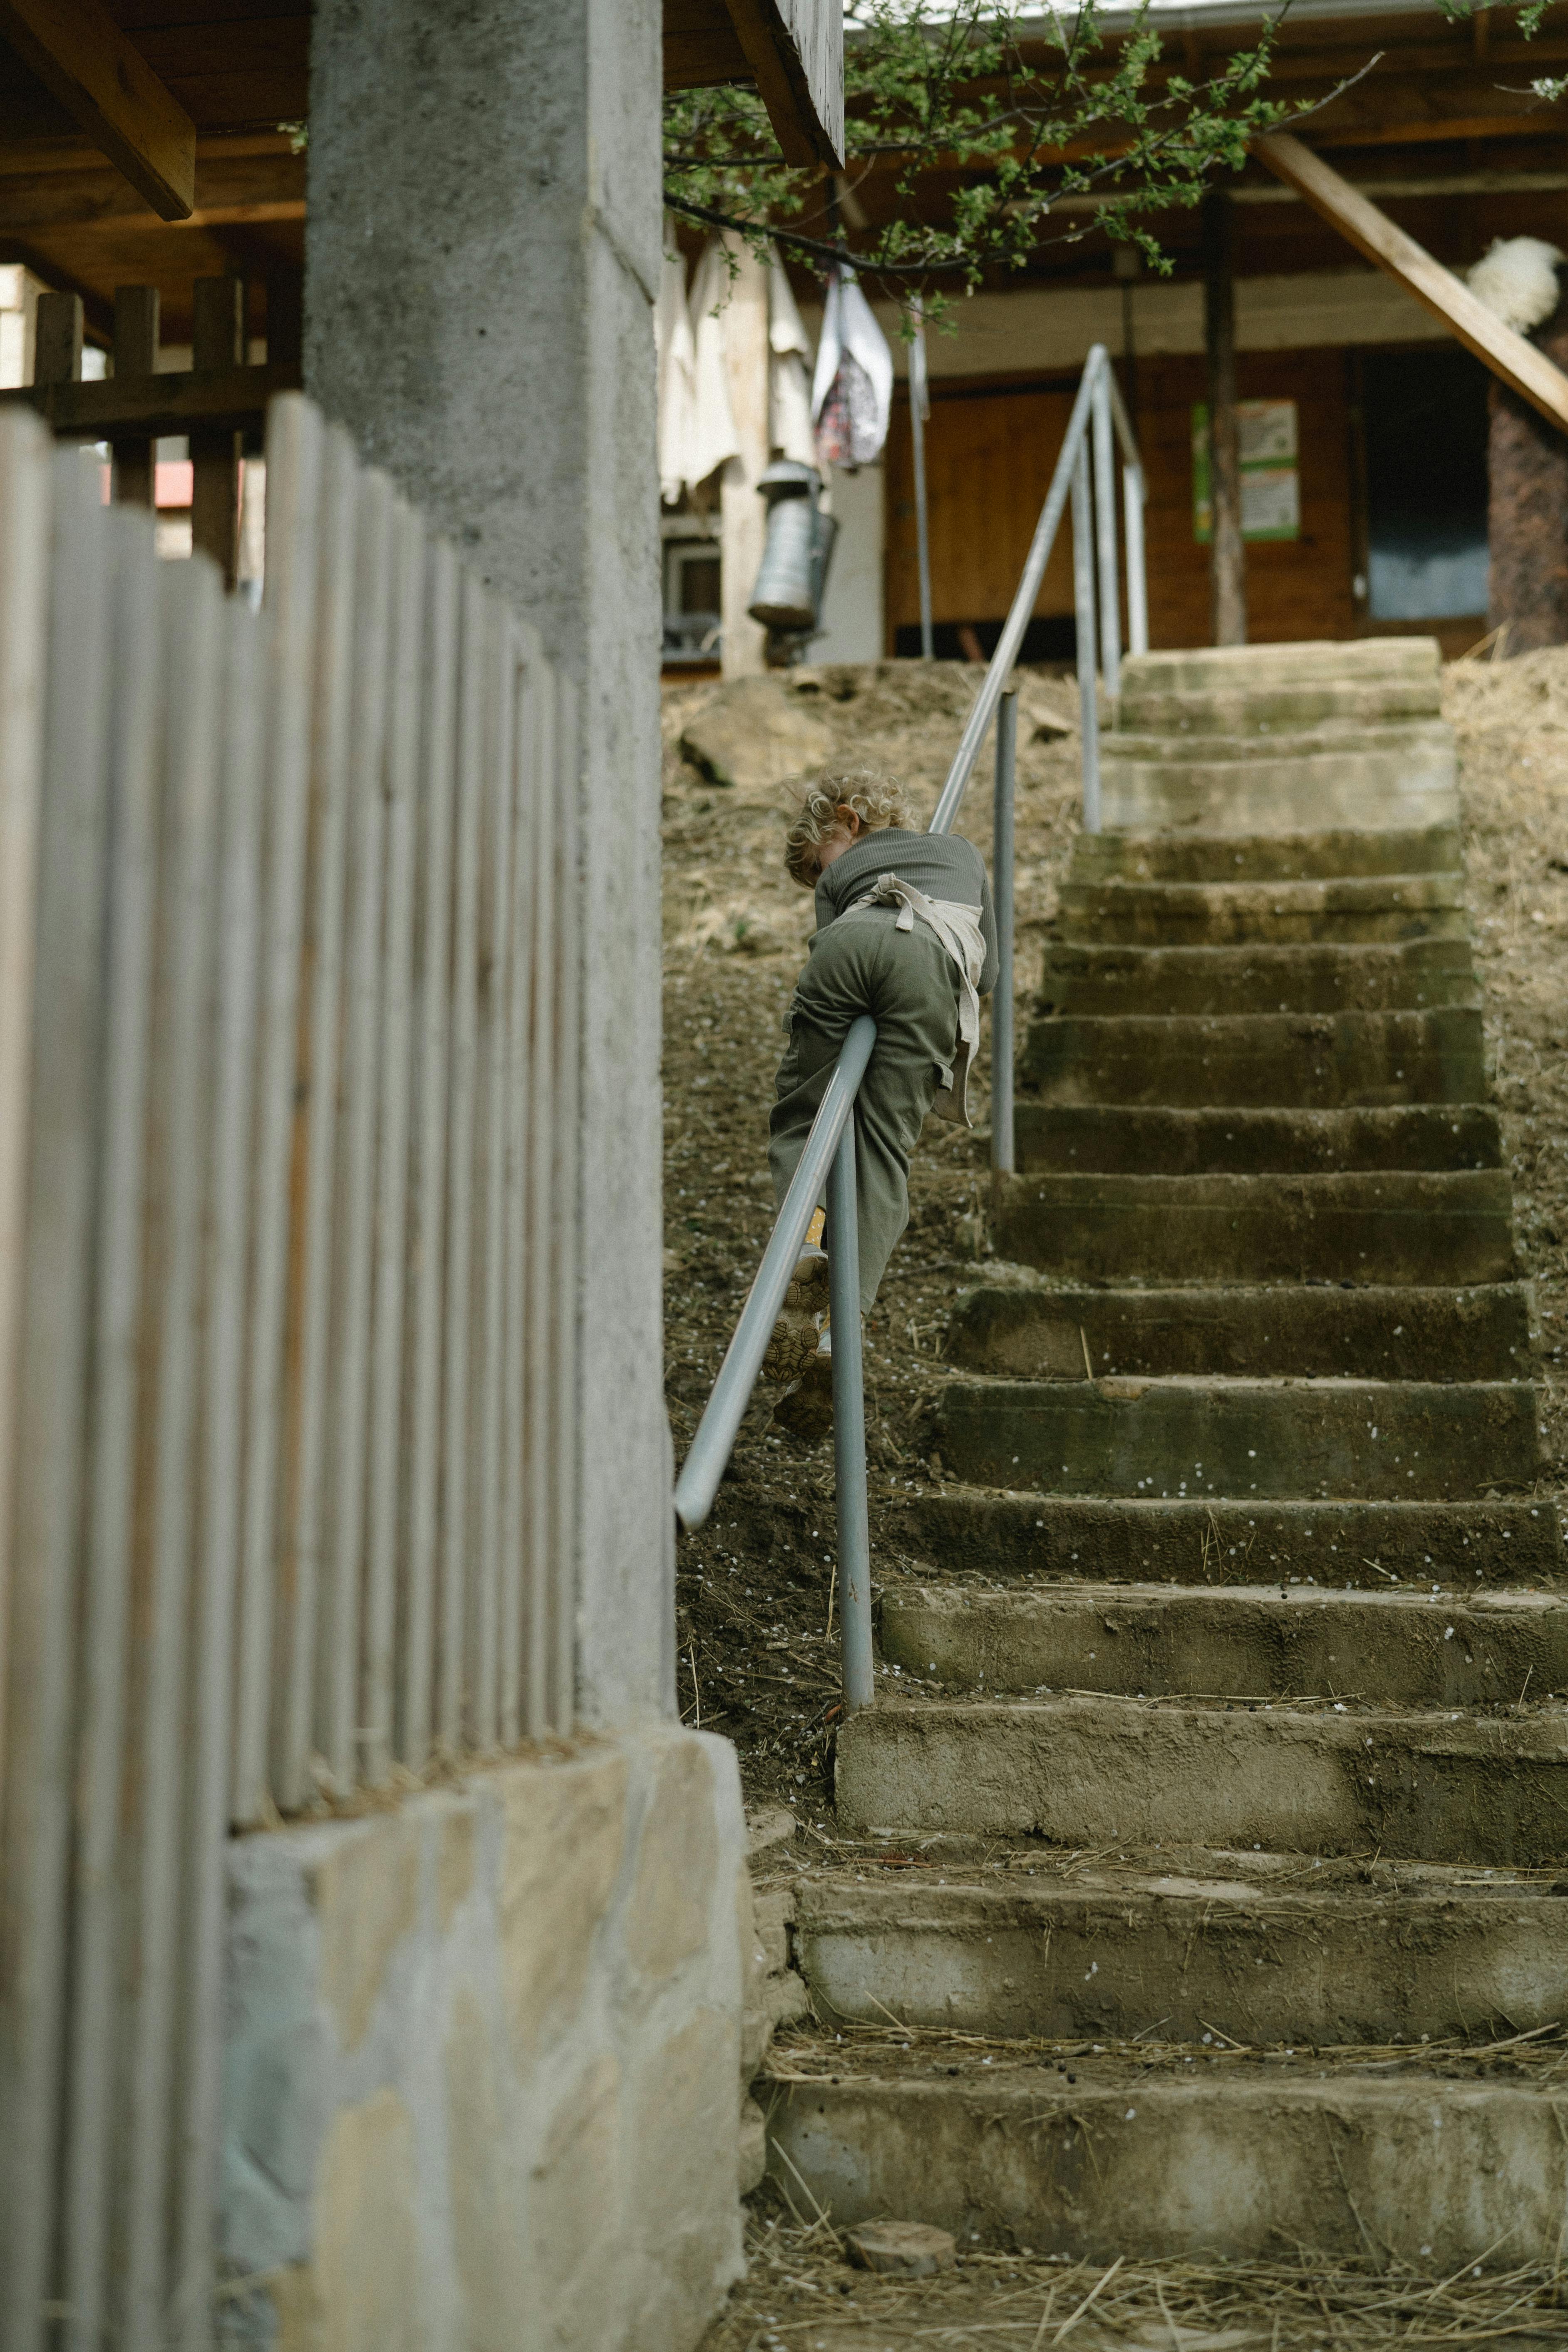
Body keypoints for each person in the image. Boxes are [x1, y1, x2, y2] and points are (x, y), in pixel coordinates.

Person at [762, 765, 997, 1429]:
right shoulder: (961, 854)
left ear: (849, 822)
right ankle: (843, 1333)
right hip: (934, 965)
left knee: (804, 1119)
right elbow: (994, 974)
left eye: (814, 866)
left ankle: (807, 1248)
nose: (817, 880)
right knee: (885, 1152)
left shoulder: (844, 877)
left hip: (854, 947)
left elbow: (827, 942)